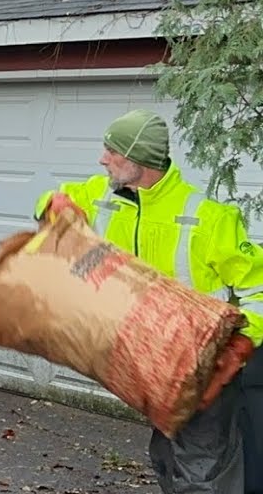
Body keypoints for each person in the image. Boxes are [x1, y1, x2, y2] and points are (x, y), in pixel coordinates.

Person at [33, 108, 263, 494]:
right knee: (167, 457)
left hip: (202, 366)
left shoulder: (207, 218)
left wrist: (239, 345)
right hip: (154, 367)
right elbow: (60, 198)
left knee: (202, 470)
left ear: (140, 159)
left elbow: (258, 289)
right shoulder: (105, 196)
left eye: (112, 151)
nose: (102, 159)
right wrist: (50, 206)